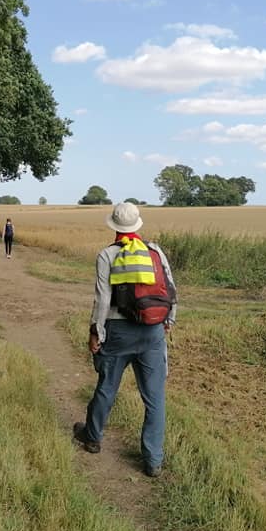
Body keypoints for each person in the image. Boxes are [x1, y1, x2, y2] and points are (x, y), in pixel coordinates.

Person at [72, 202, 176, 478]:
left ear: (114, 226)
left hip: (118, 331)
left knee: (107, 387)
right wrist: (168, 320)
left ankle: (92, 437)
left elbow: (103, 299)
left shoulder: (107, 254)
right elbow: (171, 289)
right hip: (152, 331)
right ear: (137, 224)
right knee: (155, 398)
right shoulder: (155, 251)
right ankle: (153, 460)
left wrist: (96, 332)